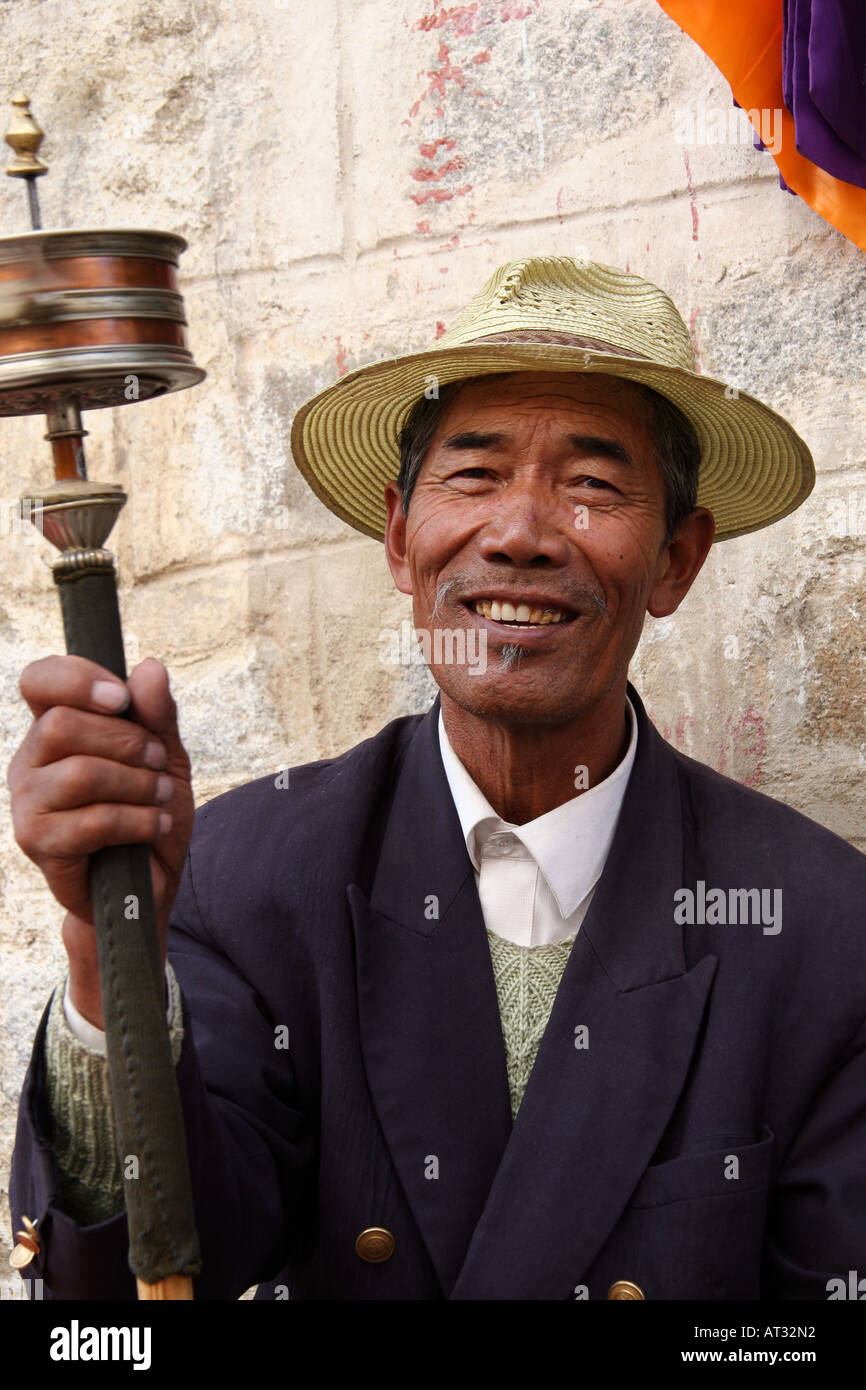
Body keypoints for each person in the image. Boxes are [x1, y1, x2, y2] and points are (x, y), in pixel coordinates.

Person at [7, 256, 866, 1300]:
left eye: (592, 484)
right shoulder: (251, 876)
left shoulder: (822, 930)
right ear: (400, 537)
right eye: (473, 473)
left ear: (675, 560)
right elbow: (130, 1290)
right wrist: (111, 945)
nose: (518, 533)